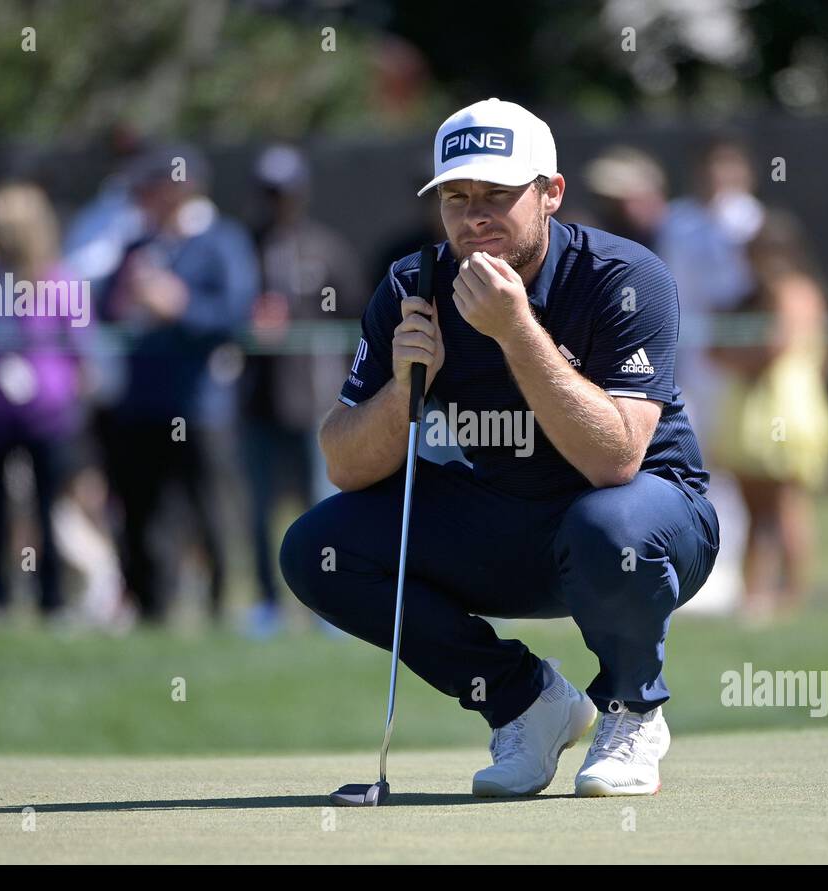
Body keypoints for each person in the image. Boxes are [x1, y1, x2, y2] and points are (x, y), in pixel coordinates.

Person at [280, 98, 719, 798]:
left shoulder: (624, 278)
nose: (474, 216)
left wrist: (515, 331)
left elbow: (614, 462)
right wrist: (402, 391)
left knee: (607, 523)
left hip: (645, 524)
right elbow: (344, 463)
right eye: (456, 197)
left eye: (497, 196)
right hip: (509, 520)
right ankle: (526, 702)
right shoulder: (412, 286)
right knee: (316, 548)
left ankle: (631, 710)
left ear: (551, 194)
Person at [97, 145, 258, 623]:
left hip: (199, 403)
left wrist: (179, 305)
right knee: (142, 509)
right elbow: (107, 308)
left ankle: (219, 606)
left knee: (208, 506)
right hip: (141, 402)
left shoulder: (221, 240)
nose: (143, 198)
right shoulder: (137, 246)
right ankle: (152, 606)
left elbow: (233, 315)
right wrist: (126, 297)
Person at [237, 145, 368, 639]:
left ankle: (328, 607)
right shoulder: (242, 248)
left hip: (316, 403)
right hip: (256, 403)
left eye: (284, 193)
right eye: (268, 194)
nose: (276, 203)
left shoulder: (326, 249)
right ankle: (266, 603)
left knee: (323, 507)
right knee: (258, 509)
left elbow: (358, 320)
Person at [709, 211, 828, 620]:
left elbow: (771, 350)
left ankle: (792, 594)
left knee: (786, 505)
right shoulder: (750, 296)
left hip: (784, 408)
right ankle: (756, 593)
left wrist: (738, 356)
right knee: (754, 508)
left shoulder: (795, 292)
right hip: (750, 413)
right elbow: (716, 348)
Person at [0, 182, 82, 618]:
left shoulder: (62, 282)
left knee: (49, 507)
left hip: (47, 415)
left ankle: (53, 598)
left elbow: (80, 347)